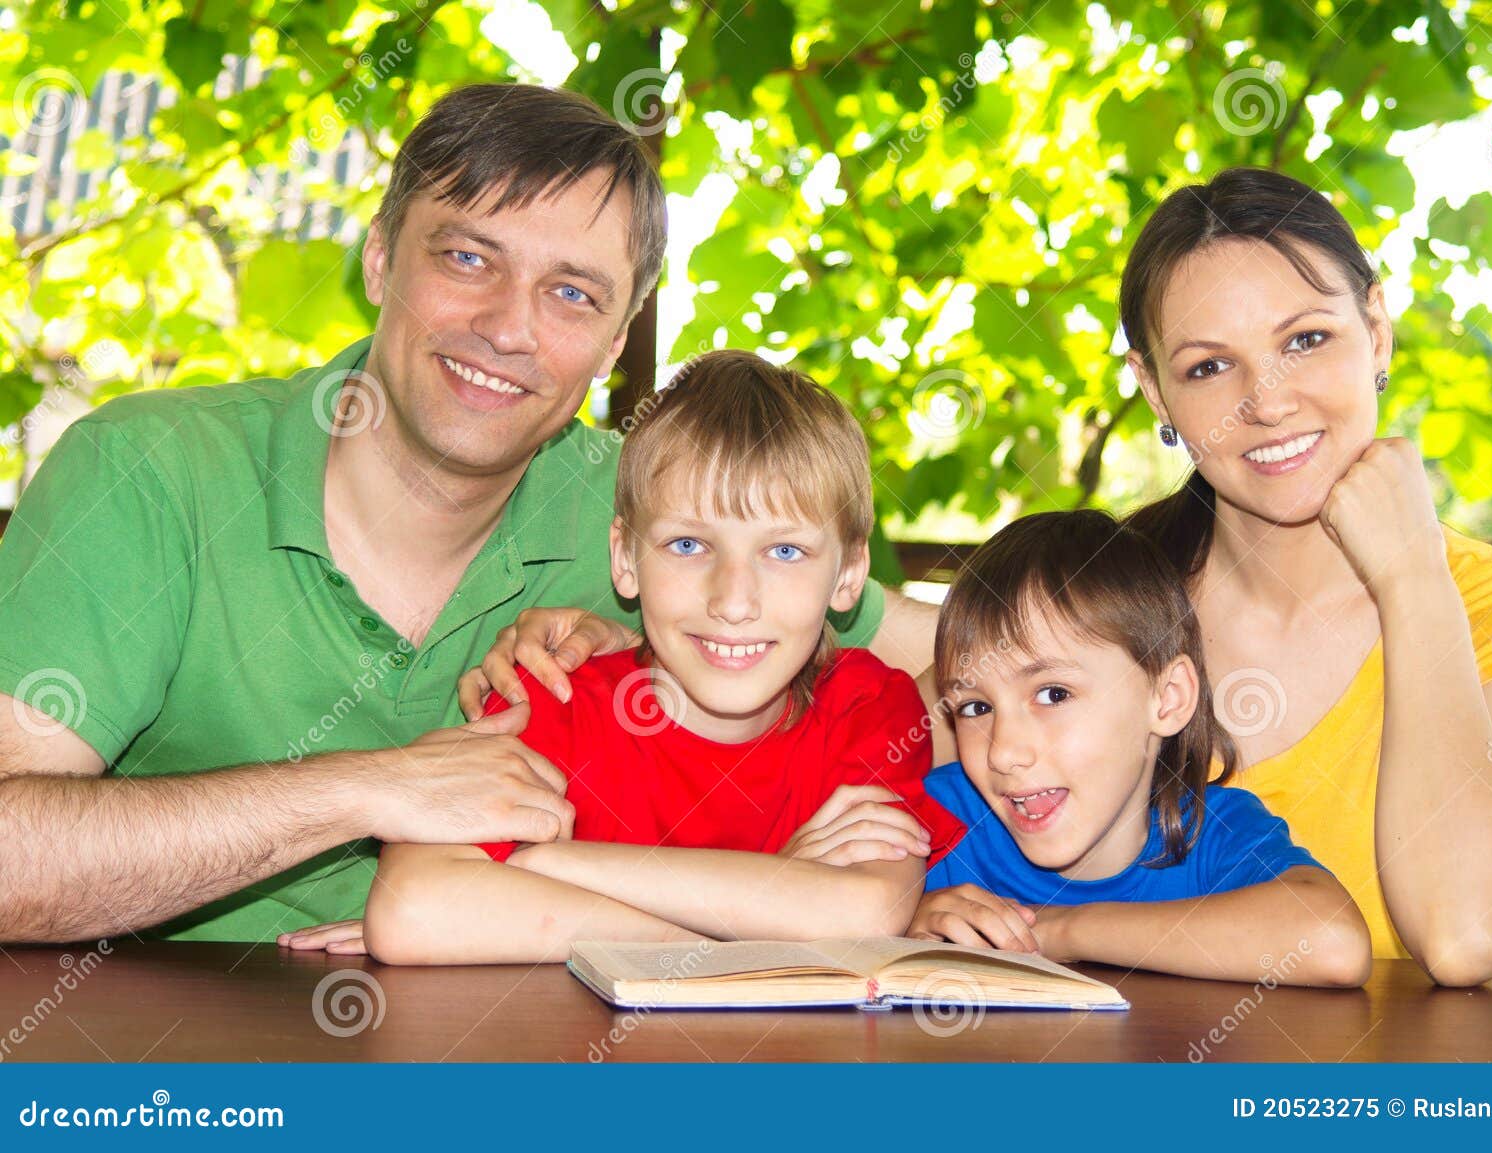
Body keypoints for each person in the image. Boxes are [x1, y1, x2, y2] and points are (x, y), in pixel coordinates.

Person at [0, 83, 931, 945]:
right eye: (467, 255)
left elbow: (986, 660)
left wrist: (979, 883)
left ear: (616, 342)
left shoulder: (657, 507)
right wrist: (371, 788)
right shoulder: (153, 471)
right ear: (377, 258)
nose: (509, 325)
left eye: (572, 292)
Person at [282, 350, 963, 962]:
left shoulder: (869, 707)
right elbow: (415, 913)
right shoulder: (551, 695)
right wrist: (751, 930)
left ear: (847, 576)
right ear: (623, 557)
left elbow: (865, 911)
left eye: (784, 551)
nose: (733, 599)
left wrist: (543, 863)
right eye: (689, 545)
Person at [1118, 167, 1492, 985]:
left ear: (1376, 329)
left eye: (1305, 339)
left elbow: (1465, 936)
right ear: (1154, 390)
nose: (1266, 402)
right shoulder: (1103, 596)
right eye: (1207, 367)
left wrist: (1412, 577)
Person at [907, 510, 1371, 987]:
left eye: (1053, 694)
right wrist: (898, 925)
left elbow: (1334, 942)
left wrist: (1060, 932)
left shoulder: (1211, 836)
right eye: (975, 708)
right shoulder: (934, 825)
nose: (1003, 752)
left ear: (1168, 698)